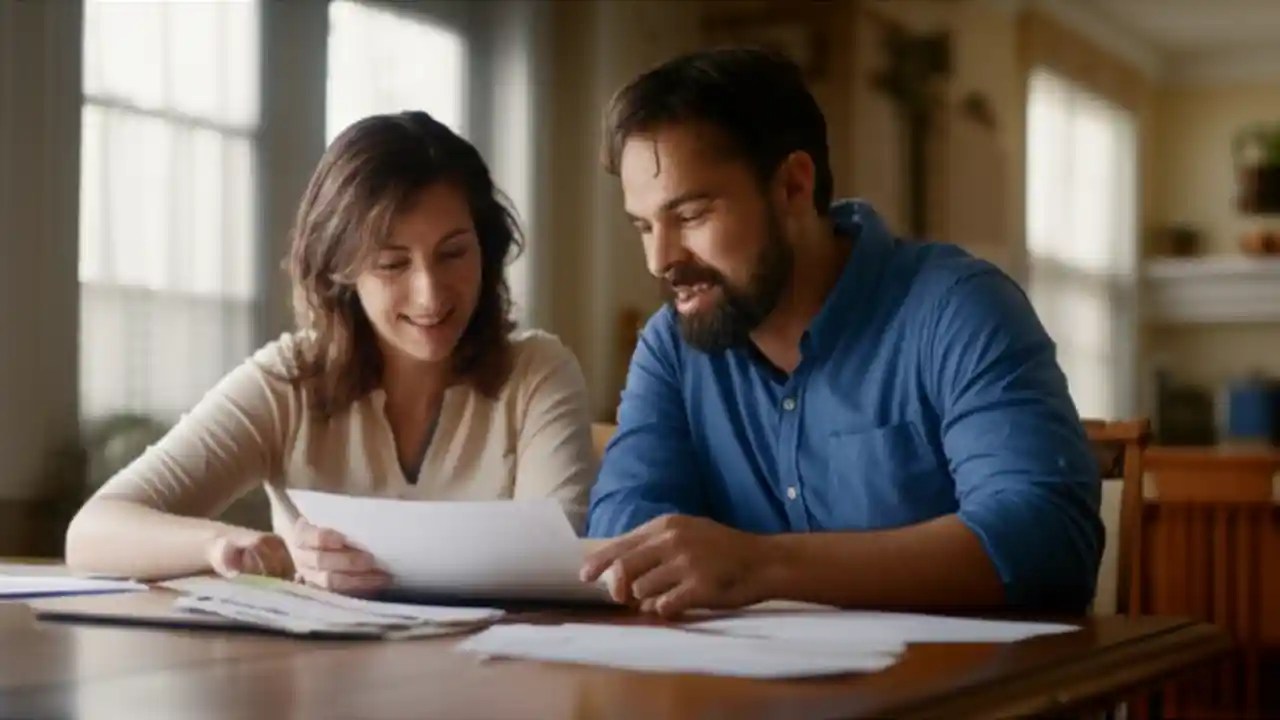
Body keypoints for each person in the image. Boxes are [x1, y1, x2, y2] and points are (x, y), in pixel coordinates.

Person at [581, 48, 1102, 618]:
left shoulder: (958, 308)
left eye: (691, 216)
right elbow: (622, 538)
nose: (660, 259)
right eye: (644, 226)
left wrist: (759, 566)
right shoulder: (672, 347)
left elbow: (1048, 542)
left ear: (793, 188)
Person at [67, 111, 596, 594]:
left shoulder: (537, 374)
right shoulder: (289, 381)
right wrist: (225, 546)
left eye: (453, 253)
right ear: (341, 272)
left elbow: (549, 565)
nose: (430, 294)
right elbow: (93, 532)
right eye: (393, 264)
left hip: (497, 683)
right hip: (325, 681)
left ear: (487, 248)